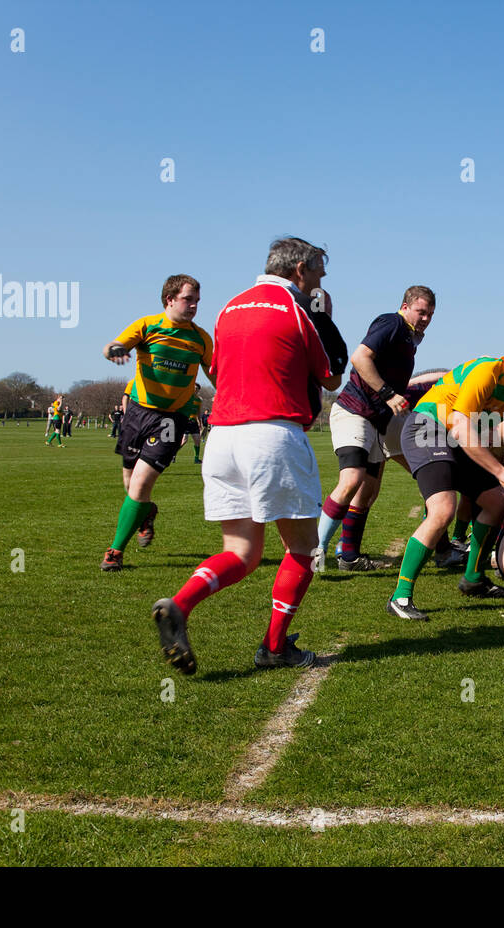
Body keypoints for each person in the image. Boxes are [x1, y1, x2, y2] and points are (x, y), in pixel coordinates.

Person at [151, 237, 345, 670]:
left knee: (241, 552)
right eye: (318, 273)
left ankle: (180, 605)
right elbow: (332, 377)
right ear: (300, 270)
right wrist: (325, 319)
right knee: (303, 548)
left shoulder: (229, 307)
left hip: (222, 436)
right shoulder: (297, 310)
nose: (321, 281)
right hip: (273, 433)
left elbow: (219, 372)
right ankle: (274, 648)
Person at [387, 335, 504, 621]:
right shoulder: (487, 372)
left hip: (455, 439)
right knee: (442, 509)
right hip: (426, 427)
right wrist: (501, 471)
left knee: (497, 502)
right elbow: (459, 427)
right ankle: (400, 596)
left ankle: (473, 579)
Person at [100, 274, 213, 570]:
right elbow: (115, 344)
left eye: (197, 301)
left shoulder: (201, 339)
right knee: (129, 484)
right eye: (189, 300)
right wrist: (115, 350)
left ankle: (114, 552)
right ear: (170, 299)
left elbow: (217, 375)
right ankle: (147, 513)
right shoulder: (147, 326)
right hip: (137, 414)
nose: (194, 306)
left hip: (171, 420)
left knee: (140, 482)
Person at [319, 286, 435, 571]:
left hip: (377, 420)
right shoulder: (392, 322)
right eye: (421, 312)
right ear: (405, 306)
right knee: (351, 481)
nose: (425, 319)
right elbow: (360, 358)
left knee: (368, 490)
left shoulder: (409, 337)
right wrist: (388, 393)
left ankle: (348, 556)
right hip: (354, 411)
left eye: (430, 314)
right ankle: (313, 551)